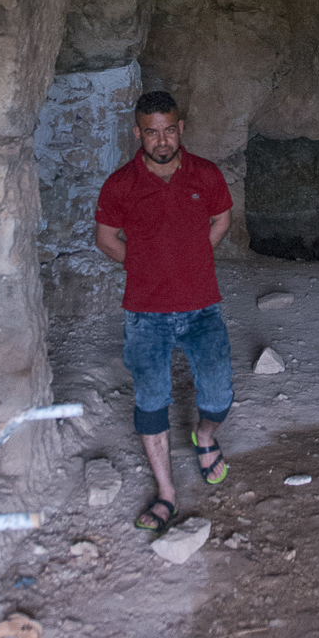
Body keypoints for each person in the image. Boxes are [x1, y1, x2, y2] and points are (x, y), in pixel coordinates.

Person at [94, 90, 234, 535]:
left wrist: (194, 258)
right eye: (152, 132)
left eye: (169, 130)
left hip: (201, 306)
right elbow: (105, 238)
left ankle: (204, 437)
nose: (162, 141)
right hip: (146, 312)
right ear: (138, 133)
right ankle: (167, 493)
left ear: (180, 129)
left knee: (219, 394)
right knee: (151, 401)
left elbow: (222, 219)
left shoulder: (206, 174)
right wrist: (143, 266)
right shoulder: (121, 185)